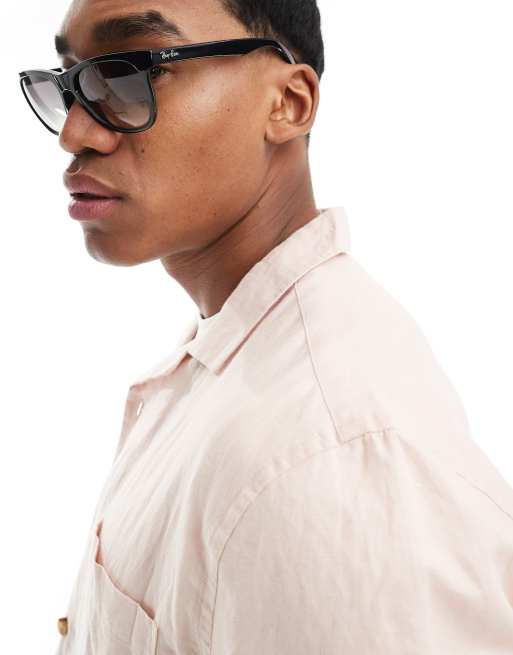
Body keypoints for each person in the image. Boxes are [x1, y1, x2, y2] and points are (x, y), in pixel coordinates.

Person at [19, 1, 513, 653]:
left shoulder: (330, 460)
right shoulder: (235, 362)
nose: (74, 132)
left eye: (130, 70)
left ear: (287, 103)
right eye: (69, 82)